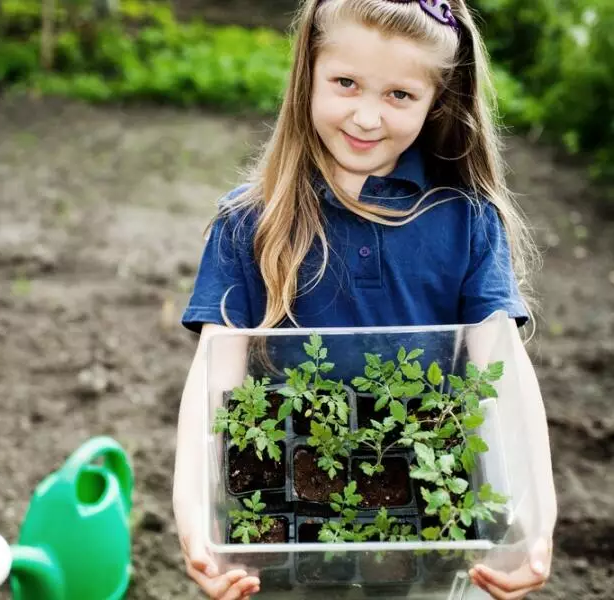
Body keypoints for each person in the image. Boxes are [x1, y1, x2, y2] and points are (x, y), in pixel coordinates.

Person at [171, 0, 557, 598]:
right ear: (308, 76)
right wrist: (197, 514)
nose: (367, 116)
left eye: (399, 95)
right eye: (345, 83)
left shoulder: (466, 219)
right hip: (281, 529)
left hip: (429, 524)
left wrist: (539, 517)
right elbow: (215, 380)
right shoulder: (251, 220)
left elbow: (501, 368)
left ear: (437, 102)